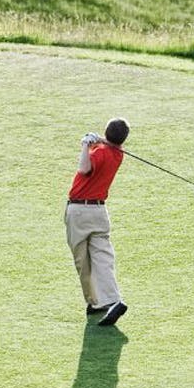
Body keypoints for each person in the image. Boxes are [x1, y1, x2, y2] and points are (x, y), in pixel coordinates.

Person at [66, 118, 131, 327]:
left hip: (79, 211)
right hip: (99, 212)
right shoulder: (117, 154)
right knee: (103, 257)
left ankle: (95, 302)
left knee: (82, 260)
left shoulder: (98, 152)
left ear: (106, 132)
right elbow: (109, 144)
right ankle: (112, 299)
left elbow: (84, 168)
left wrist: (85, 144)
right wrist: (96, 140)